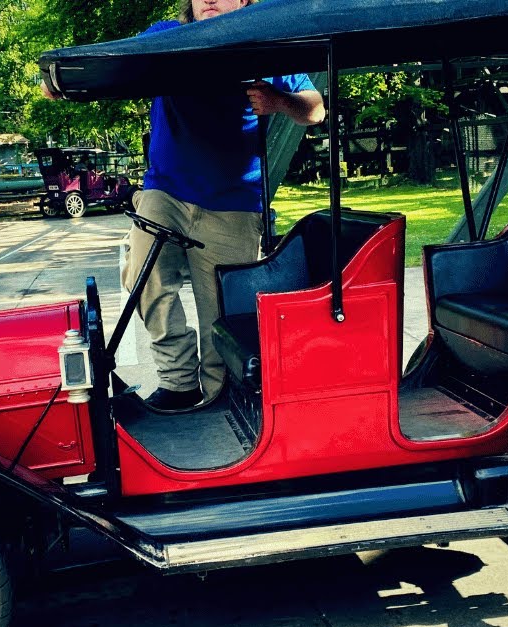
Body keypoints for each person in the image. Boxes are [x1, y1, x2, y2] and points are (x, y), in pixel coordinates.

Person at [41, 0, 324, 412]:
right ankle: (178, 381)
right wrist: (66, 80)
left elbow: (314, 108)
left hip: (234, 204)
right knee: (143, 275)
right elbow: (113, 64)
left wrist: (280, 102)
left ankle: (219, 395)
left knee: (222, 308)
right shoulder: (166, 37)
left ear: (244, 2)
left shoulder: (262, 43)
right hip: (166, 192)